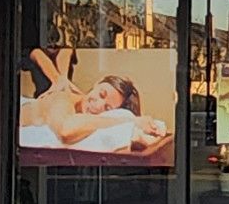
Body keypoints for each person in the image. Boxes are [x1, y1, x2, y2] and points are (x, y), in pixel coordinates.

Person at [22, 48, 170, 154]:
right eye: (101, 94)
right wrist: (130, 121)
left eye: (107, 108)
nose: (98, 106)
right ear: (97, 84)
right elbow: (65, 131)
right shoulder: (61, 98)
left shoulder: (83, 111)